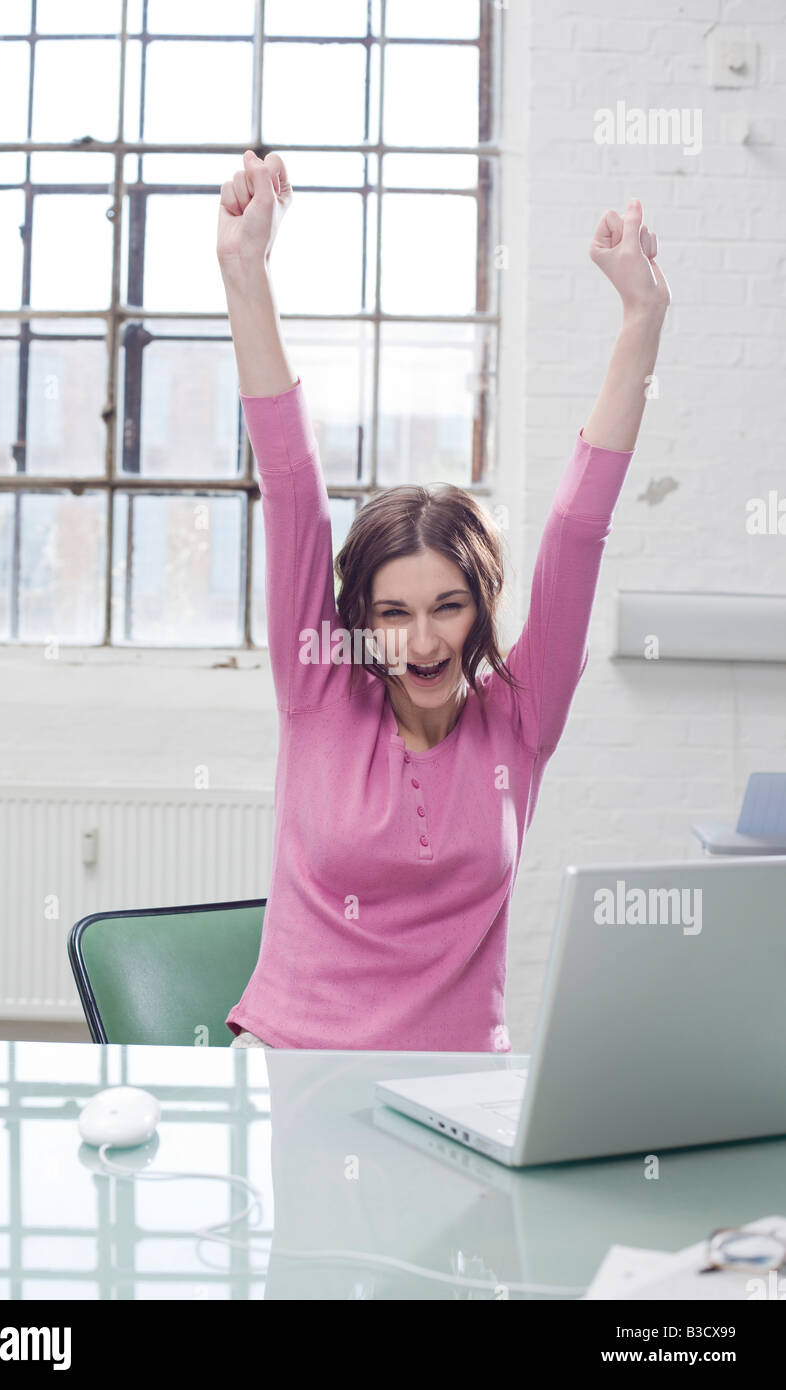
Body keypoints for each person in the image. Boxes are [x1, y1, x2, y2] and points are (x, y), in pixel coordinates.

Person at [219, 149, 670, 1052]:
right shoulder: (319, 690)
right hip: (291, 1067)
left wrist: (642, 318)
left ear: (482, 605)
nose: (423, 641)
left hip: (461, 1087)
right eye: (392, 614)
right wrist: (244, 270)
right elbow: (293, 483)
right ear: (355, 623)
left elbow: (578, 530)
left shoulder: (522, 714)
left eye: (449, 607)